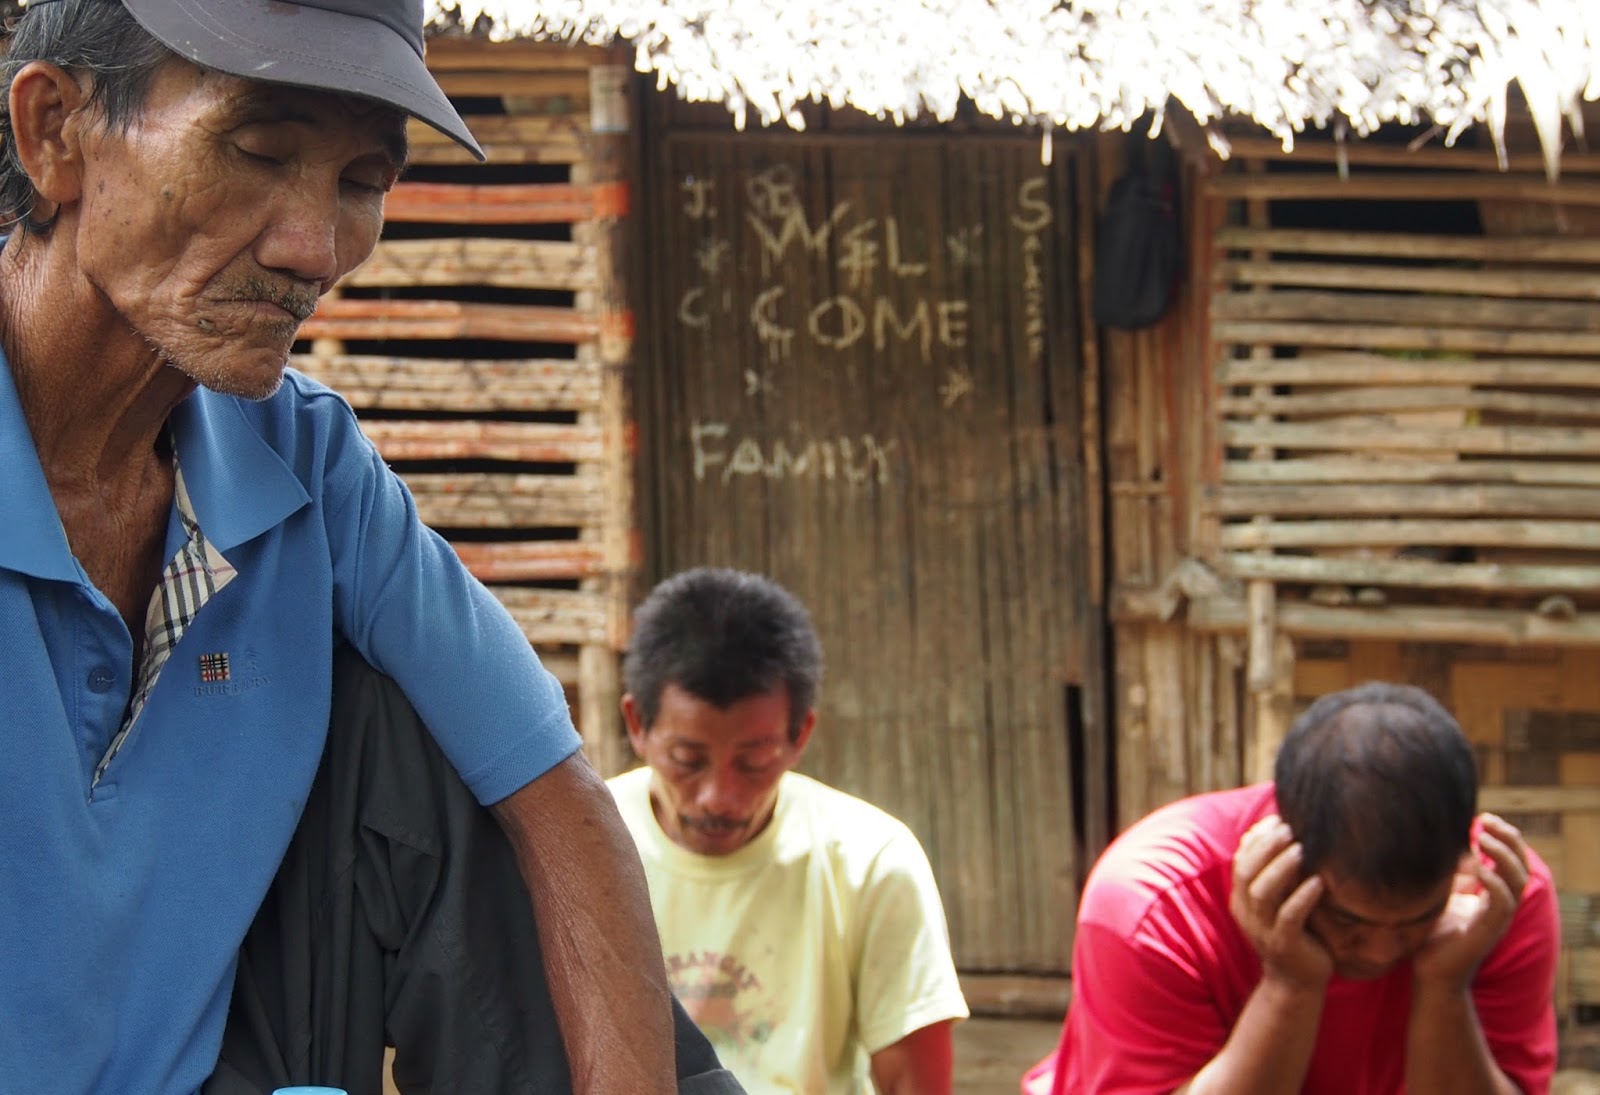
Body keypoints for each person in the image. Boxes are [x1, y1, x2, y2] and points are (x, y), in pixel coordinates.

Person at [0, 1, 740, 1092]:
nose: (315, 248)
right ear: (54, 129)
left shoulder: (301, 460)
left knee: (433, 743)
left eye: (362, 183)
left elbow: (557, 796)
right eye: (258, 150)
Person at [1023, 681, 1560, 1095]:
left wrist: (1445, 984)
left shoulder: (1497, 899)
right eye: (1350, 921)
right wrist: (1288, 985)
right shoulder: (1153, 901)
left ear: (1460, 865)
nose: (1379, 951)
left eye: (1417, 921)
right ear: (1287, 855)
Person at [608, 567, 971, 1094]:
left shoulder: (870, 862)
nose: (719, 796)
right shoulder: (580, 852)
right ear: (637, 724)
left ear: (800, 734)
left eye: (753, 762)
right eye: (688, 759)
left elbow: (913, 1083)